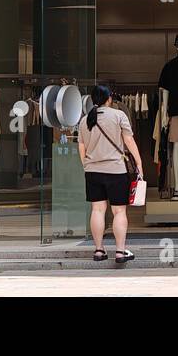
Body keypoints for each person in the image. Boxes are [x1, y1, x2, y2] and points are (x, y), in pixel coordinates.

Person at [77, 84, 143, 264]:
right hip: (115, 170)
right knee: (119, 211)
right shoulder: (118, 115)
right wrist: (138, 162)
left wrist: (86, 165)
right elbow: (129, 141)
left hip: (92, 171)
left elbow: (81, 147)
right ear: (109, 99)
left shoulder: (85, 120)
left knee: (97, 210)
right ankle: (120, 252)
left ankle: (99, 250)